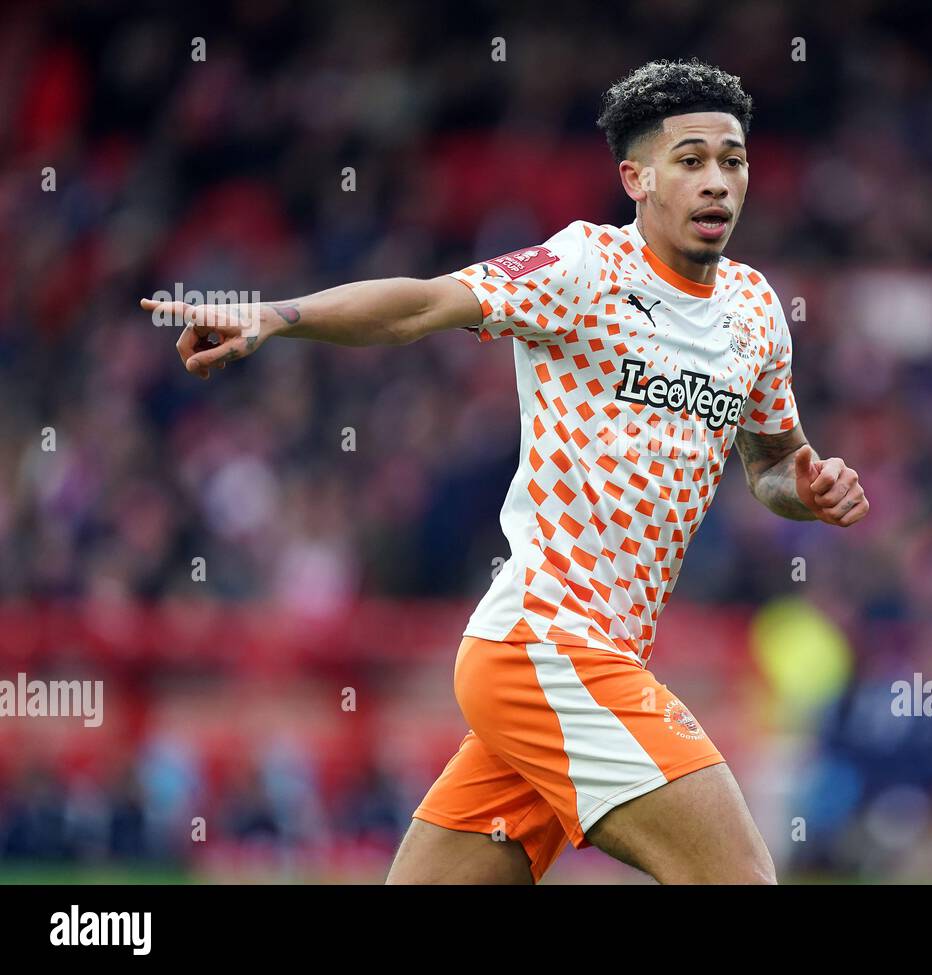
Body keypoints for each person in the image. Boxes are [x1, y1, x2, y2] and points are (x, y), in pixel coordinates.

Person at [140, 58, 868, 884]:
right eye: (691, 160)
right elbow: (422, 304)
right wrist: (278, 315)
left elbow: (772, 462)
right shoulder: (585, 270)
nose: (716, 182)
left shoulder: (757, 312)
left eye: (732, 161)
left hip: (588, 663)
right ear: (636, 177)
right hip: (548, 645)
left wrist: (808, 491)